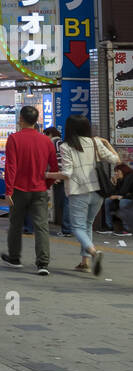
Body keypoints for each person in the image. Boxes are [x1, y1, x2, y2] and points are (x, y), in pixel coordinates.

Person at [56, 117, 118, 275]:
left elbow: (67, 173)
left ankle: (93, 253)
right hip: (98, 192)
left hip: (79, 192)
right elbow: (116, 159)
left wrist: (48, 174)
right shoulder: (95, 142)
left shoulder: (65, 146)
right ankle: (85, 263)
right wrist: (106, 143)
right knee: (88, 224)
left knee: (77, 227)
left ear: (69, 128)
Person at [1, 105, 58, 274]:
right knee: (41, 226)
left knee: (15, 224)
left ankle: (14, 258)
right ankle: (42, 264)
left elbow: (11, 166)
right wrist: (46, 185)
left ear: (21, 119)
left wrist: (8, 190)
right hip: (39, 189)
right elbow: (54, 168)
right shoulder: (46, 141)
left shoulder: (14, 139)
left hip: (18, 189)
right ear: (36, 120)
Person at [44, 127, 71, 234]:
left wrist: (57, 176)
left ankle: (66, 229)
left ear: (50, 134)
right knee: (66, 202)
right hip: (63, 176)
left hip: (60, 176)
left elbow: (59, 160)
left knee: (64, 202)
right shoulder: (61, 142)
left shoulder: (54, 143)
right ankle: (67, 228)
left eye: (46, 134)